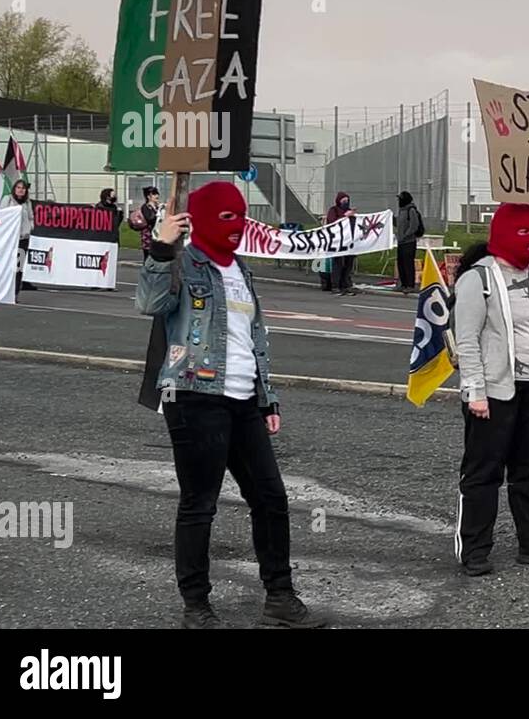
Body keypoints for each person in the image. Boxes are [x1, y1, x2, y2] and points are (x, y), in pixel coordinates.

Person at [135, 180, 323, 630]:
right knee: (201, 504)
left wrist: (266, 399)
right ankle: (196, 606)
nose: (235, 226)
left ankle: (280, 597)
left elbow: (253, 341)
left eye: (241, 217)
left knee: (271, 498)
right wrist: (162, 248)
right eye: (225, 217)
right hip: (196, 396)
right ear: (199, 219)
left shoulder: (242, 269)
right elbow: (150, 302)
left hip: (243, 399)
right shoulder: (184, 263)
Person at [452, 202, 529, 577]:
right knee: (484, 470)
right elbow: (468, 340)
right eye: (523, 233)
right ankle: (474, 548)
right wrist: (474, 391)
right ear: (504, 234)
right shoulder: (478, 278)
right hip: (496, 391)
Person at [325, 191, 357, 296]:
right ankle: (336, 286)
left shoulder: (349, 211)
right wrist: (345, 216)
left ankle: (346, 285)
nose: (346, 202)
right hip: (337, 242)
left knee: (348, 265)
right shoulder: (333, 210)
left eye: (347, 201)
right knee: (338, 264)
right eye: (343, 201)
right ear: (339, 201)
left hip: (349, 242)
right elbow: (333, 222)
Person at [395, 190, 423, 293]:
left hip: (409, 242)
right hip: (401, 242)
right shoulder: (401, 210)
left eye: (400, 198)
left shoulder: (411, 210)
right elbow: (398, 224)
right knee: (401, 263)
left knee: (408, 263)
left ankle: (410, 285)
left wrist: (405, 235)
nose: (399, 201)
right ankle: (403, 284)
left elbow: (414, 226)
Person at [12, 179, 36, 293]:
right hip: (10, 240)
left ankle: (15, 293)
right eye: (18, 187)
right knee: (8, 266)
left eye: (23, 188)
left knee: (18, 267)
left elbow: (31, 217)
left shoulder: (27, 203)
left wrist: (30, 227)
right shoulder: (8, 200)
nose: (21, 190)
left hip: (23, 239)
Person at [128, 185, 160, 261]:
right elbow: (150, 219)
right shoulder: (145, 207)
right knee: (148, 258)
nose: (157, 196)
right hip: (148, 236)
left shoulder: (158, 206)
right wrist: (155, 211)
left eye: (157, 194)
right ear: (149, 196)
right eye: (154, 194)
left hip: (157, 236)